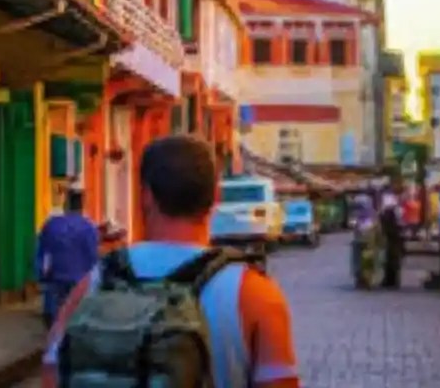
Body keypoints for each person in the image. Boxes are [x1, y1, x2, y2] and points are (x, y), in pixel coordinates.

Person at [41, 135, 299, 388]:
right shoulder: (254, 293)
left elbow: (52, 374)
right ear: (216, 197)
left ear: (146, 196)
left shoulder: (98, 280)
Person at [36, 186, 99, 328]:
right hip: (79, 281)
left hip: (56, 279)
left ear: (65, 204)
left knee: (53, 318)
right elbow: (93, 257)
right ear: (82, 206)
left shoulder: (51, 225)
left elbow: (41, 253)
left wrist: (41, 276)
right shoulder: (89, 228)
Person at [378, 182, 404, 289]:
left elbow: (385, 215)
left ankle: (390, 280)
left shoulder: (389, 203)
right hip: (394, 234)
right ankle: (392, 280)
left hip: (392, 234)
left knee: (391, 256)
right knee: (393, 256)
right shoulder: (395, 203)